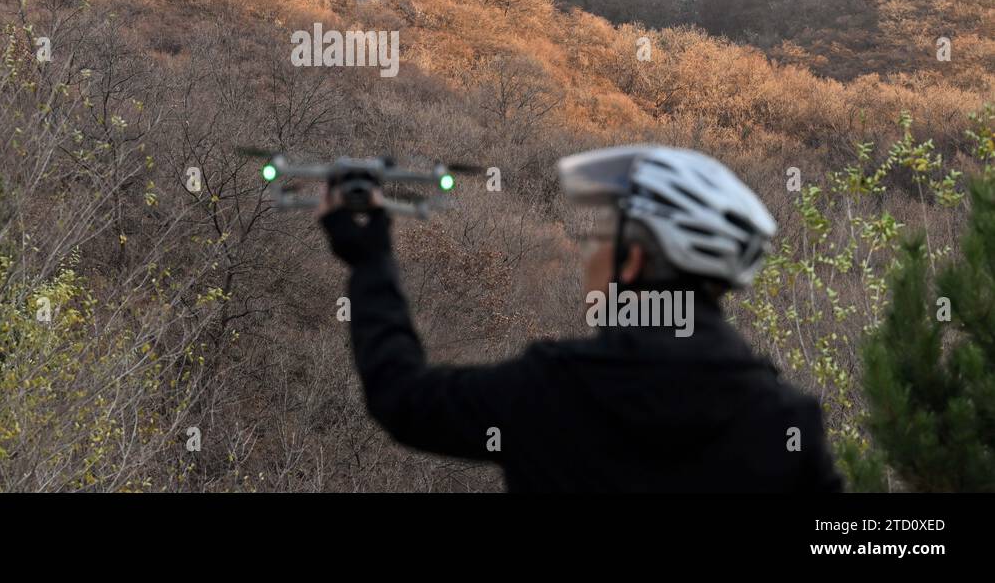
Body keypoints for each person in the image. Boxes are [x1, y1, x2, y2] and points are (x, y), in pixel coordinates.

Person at [317, 144, 843, 492]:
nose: (587, 252)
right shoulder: (785, 420)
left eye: (598, 237)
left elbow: (402, 399)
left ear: (631, 261)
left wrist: (370, 261)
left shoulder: (553, 387)